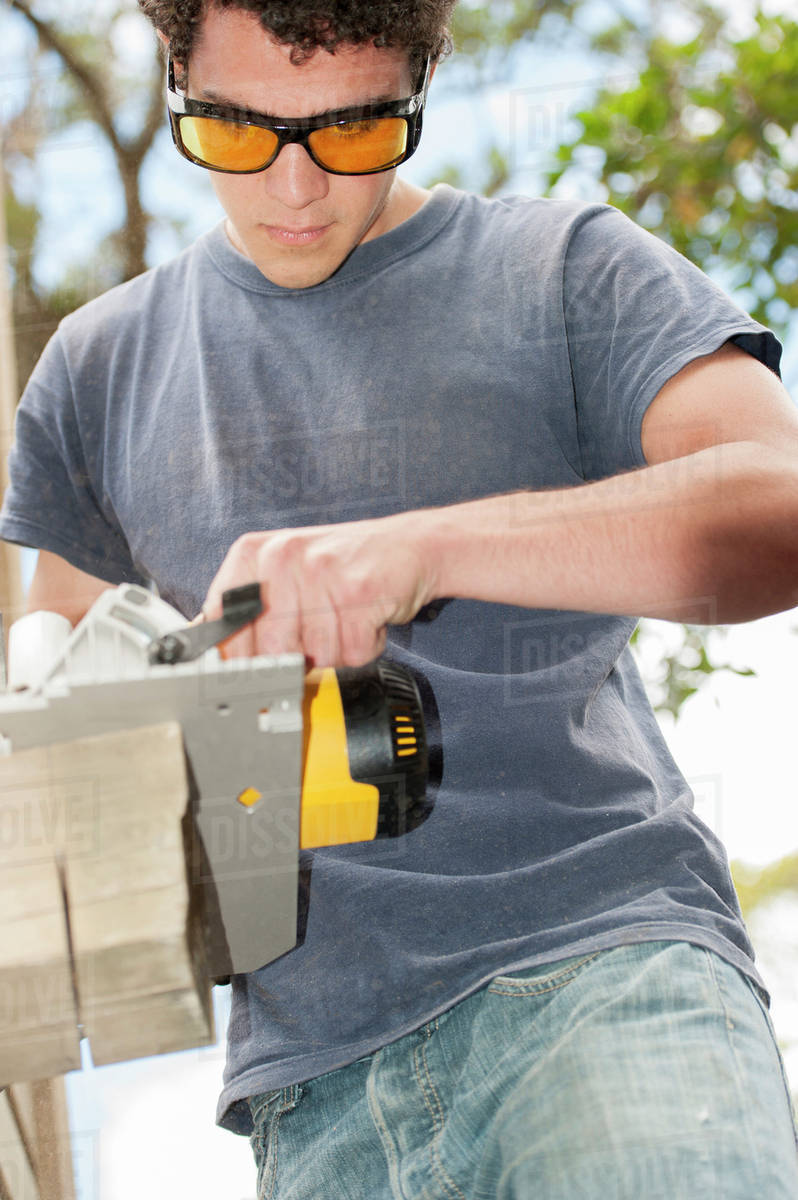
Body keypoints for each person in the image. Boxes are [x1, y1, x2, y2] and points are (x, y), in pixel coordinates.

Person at [3, 1, 798, 1194]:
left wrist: (417, 551)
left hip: (600, 977)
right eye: (235, 130)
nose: (295, 186)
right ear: (175, 74)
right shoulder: (95, 371)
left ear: (421, 80)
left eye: (355, 132)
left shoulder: (565, 267)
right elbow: (47, 718)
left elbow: (776, 508)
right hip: (307, 1087)